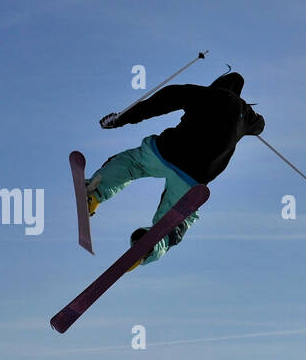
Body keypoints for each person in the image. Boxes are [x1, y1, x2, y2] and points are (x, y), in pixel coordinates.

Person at [88, 70, 264, 269]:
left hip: (166, 152)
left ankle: (94, 193)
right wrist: (248, 117)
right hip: (194, 176)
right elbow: (260, 125)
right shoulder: (246, 115)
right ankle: (151, 246)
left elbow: (165, 99)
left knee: (131, 163)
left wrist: (123, 118)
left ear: (216, 84)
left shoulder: (202, 94)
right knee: (177, 217)